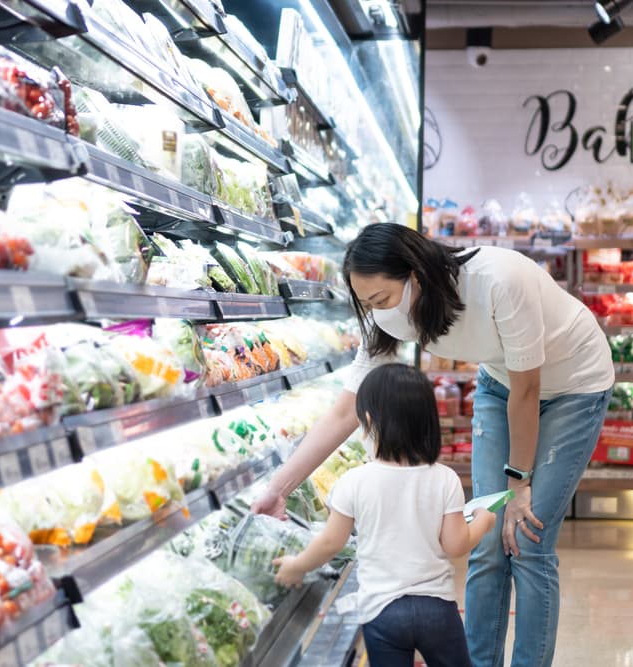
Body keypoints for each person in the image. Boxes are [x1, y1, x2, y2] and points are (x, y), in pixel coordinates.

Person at [254, 223, 614, 667]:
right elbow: (347, 411)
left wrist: (519, 484)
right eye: (367, 303)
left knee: (527, 538)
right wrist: (279, 488)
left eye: (381, 298)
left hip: (575, 385)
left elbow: (529, 389)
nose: (376, 311)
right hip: (501, 382)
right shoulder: (386, 313)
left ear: (416, 273)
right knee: (486, 543)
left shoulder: (499, 279)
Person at [273, 363, 496, 667]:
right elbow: (456, 544)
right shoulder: (445, 478)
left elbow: (330, 543)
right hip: (437, 609)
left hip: (382, 611)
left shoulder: (353, 481)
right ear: (428, 423)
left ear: (367, 421)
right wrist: (483, 520)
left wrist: (297, 566)